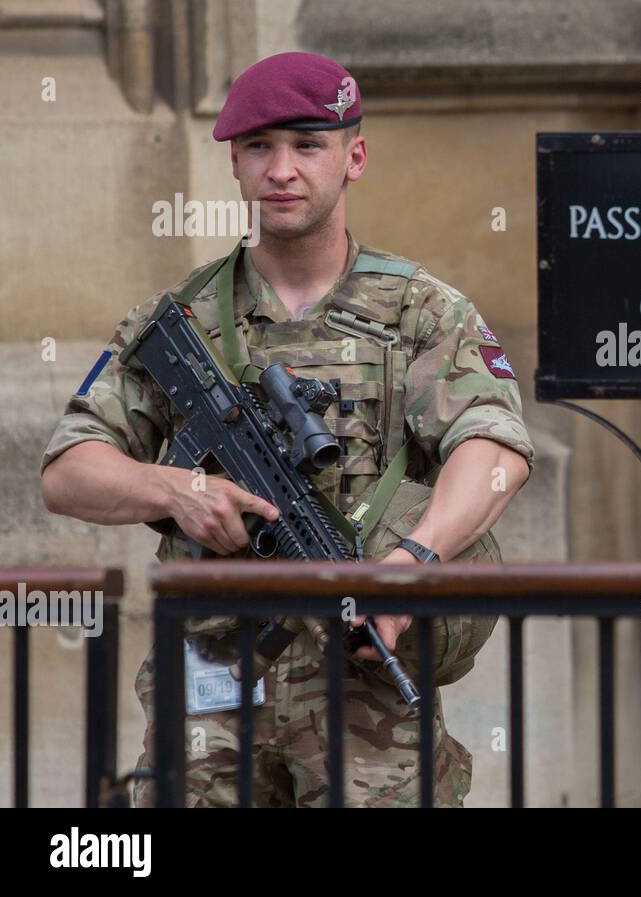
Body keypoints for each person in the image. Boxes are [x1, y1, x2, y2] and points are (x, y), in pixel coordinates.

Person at [40, 51, 534, 807]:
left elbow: (497, 449)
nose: (282, 170)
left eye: (308, 145)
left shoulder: (420, 312)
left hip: (368, 704)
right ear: (234, 163)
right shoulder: (182, 322)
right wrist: (176, 487)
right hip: (212, 694)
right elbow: (67, 469)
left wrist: (411, 559)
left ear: (354, 157)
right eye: (261, 148)